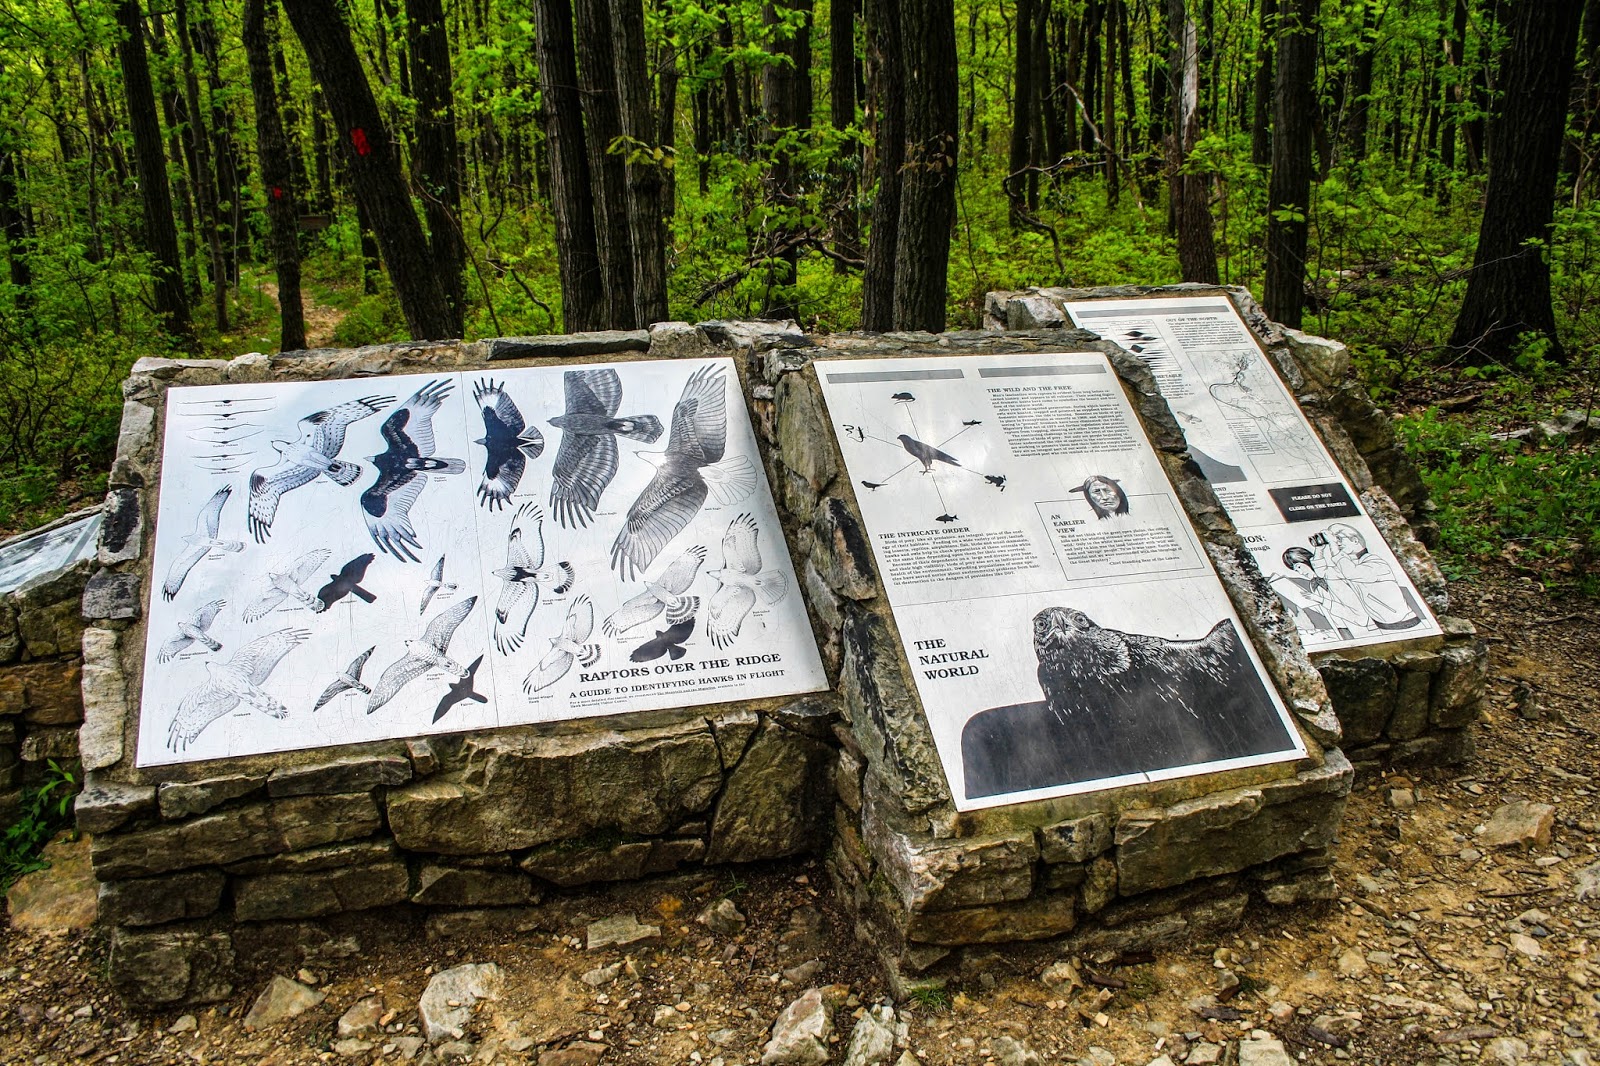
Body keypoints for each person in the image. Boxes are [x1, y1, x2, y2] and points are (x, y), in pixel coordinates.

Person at [1312, 524, 1424, 632]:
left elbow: (1351, 573)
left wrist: (1333, 544)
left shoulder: (1376, 563)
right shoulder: (1352, 564)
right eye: (1335, 540)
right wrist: (1319, 549)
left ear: (1355, 540)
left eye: (1339, 539)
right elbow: (1324, 573)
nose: (1338, 544)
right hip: (1382, 626)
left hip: (1406, 623)